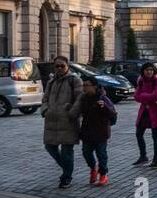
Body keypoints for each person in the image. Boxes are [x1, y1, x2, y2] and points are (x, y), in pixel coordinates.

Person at [42, 55, 84, 189]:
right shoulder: (51, 82)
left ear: (68, 67)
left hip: (67, 122)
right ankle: (67, 169)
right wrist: (45, 110)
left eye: (62, 66)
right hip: (51, 121)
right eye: (57, 66)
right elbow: (45, 99)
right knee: (49, 147)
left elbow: (80, 99)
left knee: (67, 151)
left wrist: (71, 113)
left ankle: (66, 176)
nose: (59, 68)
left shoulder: (74, 80)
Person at [77, 77, 117, 186]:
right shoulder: (83, 98)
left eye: (86, 85)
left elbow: (113, 114)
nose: (84, 88)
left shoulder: (103, 98)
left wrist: (104, 107)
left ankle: (103, 174)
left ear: (94, 86)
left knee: (101, 154)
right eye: (83, 85)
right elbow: (79, 111)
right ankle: (93, 169)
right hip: (87, 132)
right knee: (86, 153)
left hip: (101, 132)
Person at [132, 62, 157, 166]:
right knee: (139, 134)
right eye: (146, 70)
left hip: (154, 112)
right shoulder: (141, 81)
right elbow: (136, 96)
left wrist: (144, 96)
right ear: (143, 71)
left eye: (151, 70)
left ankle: (156, 158)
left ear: (154, 71)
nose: (149, 72)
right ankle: (143, 156)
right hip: (144, 111)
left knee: (155, 136)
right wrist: (148, 97)